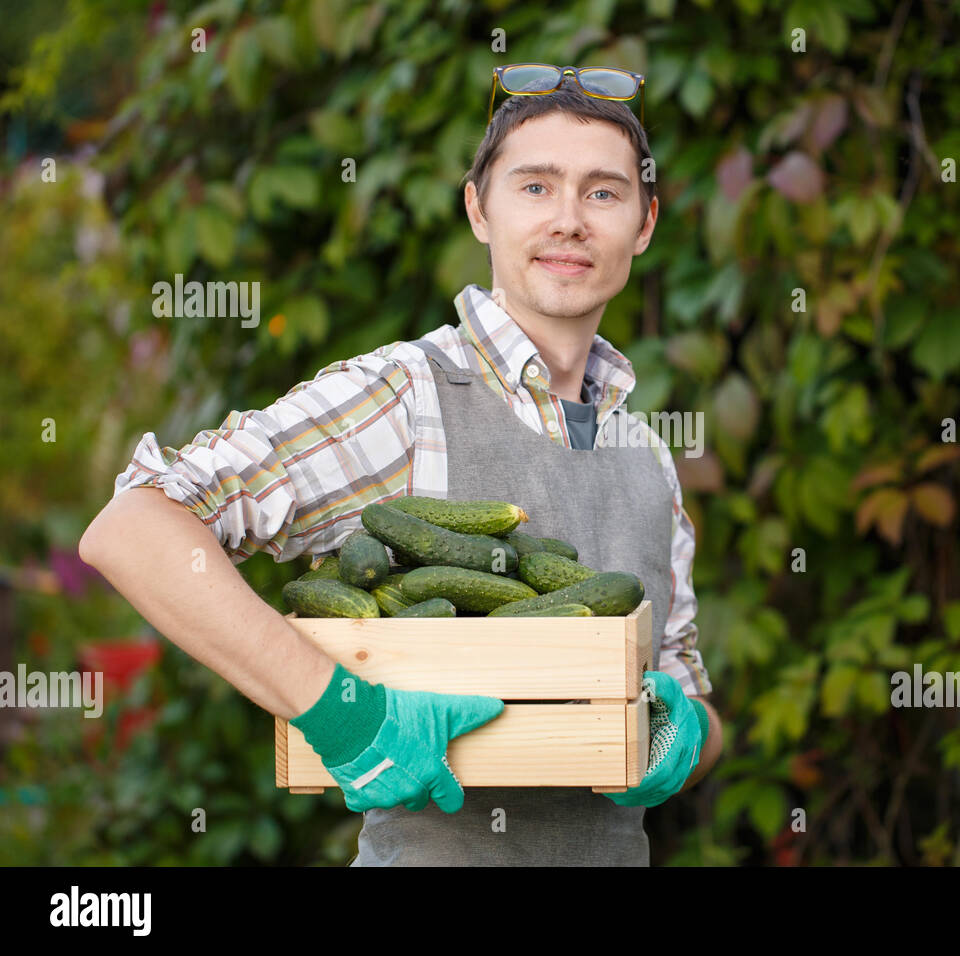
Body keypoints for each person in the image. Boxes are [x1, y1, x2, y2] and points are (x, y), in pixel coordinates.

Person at [78, 69, 720, 866]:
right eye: (534, 186)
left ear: (645, 222)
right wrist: (341, 714)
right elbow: (134, 526)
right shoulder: (402, 397)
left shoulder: (648, 458)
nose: (568, 221)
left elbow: (682, 678)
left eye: (602, 193)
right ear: (479, 210)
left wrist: (687, 732)